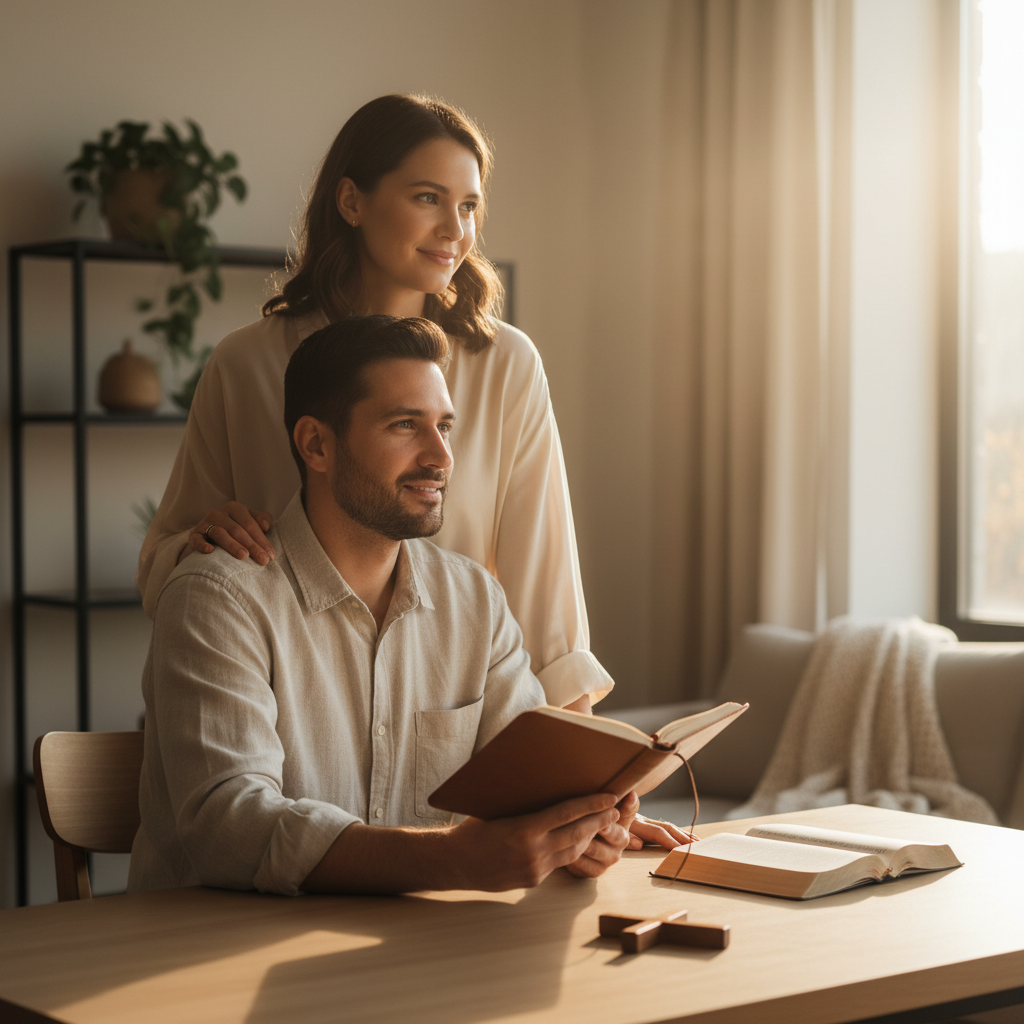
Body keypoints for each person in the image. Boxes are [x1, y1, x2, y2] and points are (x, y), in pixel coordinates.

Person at [136, 92, 691, 850]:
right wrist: (199, 539)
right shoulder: (247, 364)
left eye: (469, 206)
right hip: (288, 742)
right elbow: (170, 568)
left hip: (440, 740)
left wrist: (584, 803)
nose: (455, 230)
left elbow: (545, 599)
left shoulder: (506, 366)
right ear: (352, 201)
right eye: (428, 198)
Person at [128, 316, 634, 895]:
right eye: (404, 425)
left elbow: (531, 791)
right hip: (212, 960)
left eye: (445, 426)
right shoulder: (216, 599)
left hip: (418, 953)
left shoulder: (475, 602)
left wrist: (582, 826)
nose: (440, 457)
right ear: (316, 444)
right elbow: (229, 827)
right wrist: (451, 860)